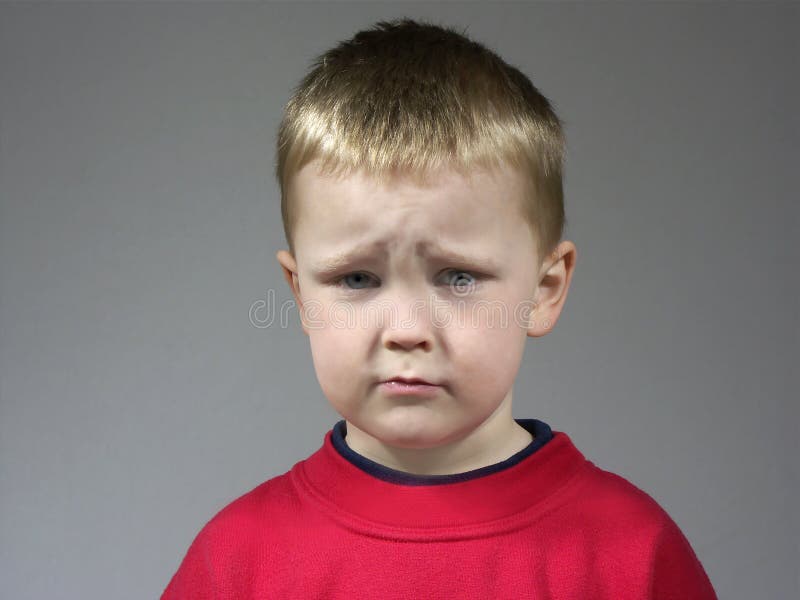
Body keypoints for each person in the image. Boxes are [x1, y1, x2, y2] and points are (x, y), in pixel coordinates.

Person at [162, 18, 717, 599]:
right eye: (356, 278)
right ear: (301, 295)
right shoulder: (235, 560)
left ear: (545, 289)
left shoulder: (633, 552)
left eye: (458, 277)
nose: (406, 331)